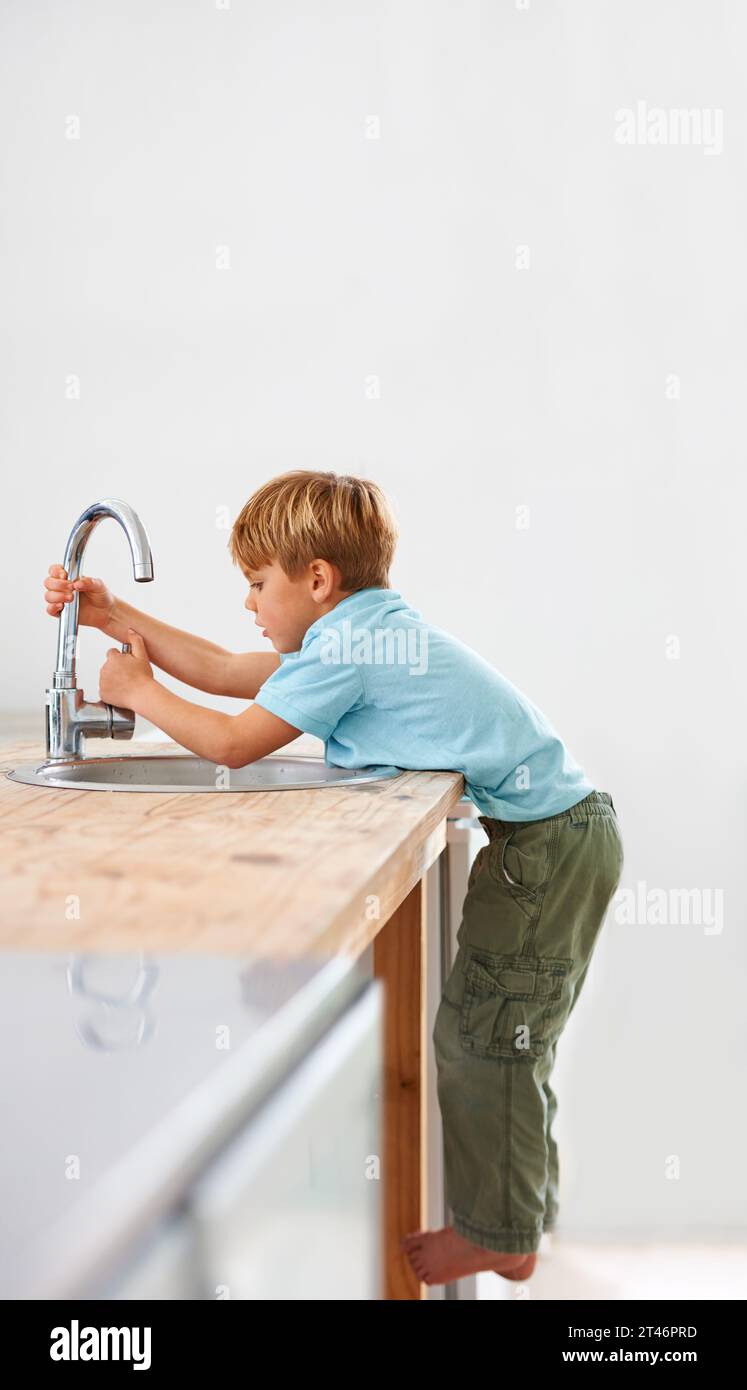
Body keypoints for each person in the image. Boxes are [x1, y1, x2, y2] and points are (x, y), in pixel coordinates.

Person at [43, 469, 624, 1286]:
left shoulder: (349, 646)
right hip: (559, 841)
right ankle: (519, 1214)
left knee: (486, 1038)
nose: (247, 603)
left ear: (317, 581)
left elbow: (235, 742)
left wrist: (139, 690)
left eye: (255, 583)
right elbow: (223, 668)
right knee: (511, 1035)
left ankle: (503, 1231)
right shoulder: (360, 634)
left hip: (547, 850)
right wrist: (114, 614)